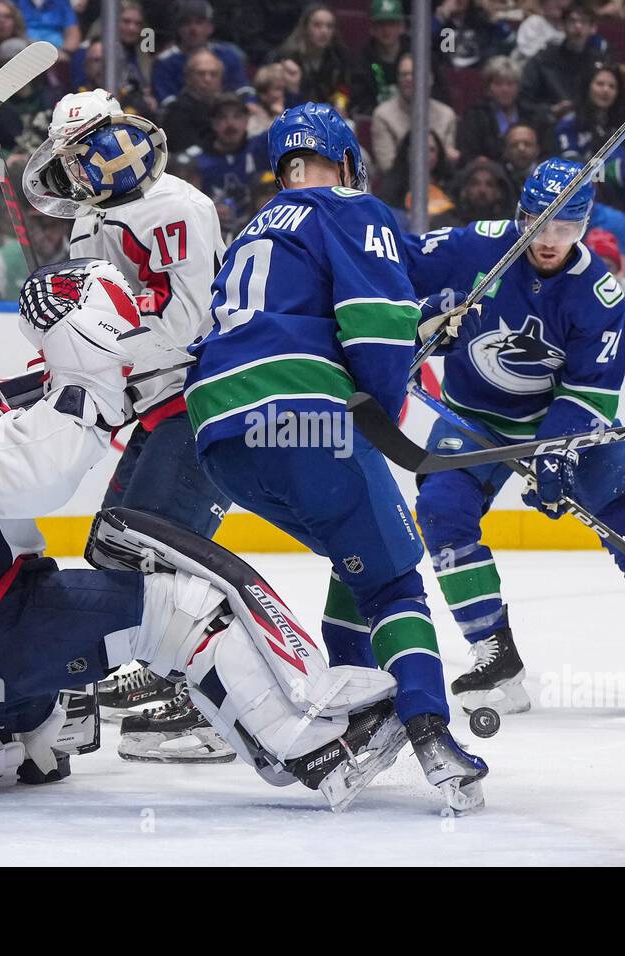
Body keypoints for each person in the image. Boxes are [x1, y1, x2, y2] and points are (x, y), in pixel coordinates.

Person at [0, 278, 404, 808]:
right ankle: (315, 751)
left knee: (62, 690)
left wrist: (97, 387)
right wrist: (89, 383)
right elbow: (36, 470)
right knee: (181, 607)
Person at [185, 102, 489, 811]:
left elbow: (357, 299)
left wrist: (422, 320)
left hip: (224, 438)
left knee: (359, 558)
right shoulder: (353, 205)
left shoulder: (256, 228)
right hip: (303, 420)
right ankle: (430, 731)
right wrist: (400, 371)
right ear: (350, 160)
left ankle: (360, 706)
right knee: (394, 583)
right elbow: (376, 336)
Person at [402, 158, 625, 718]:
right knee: (441, 510)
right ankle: (493, 649)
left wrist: (555, 451)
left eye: (566, 228)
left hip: (562, 424)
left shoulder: (597, 293)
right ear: (520, 213)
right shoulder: (473, 247)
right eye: (540, 224)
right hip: (473, 419)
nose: (550, 241)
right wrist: (418, 320)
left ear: (585, 224)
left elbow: (591, 393)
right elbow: (391, 265)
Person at [22, 89, 235, 761]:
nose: (76, 176)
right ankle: (165, 672)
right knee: (113, 548)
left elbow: (186, 326)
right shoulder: (90, 223)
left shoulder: (178, 208)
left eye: (79, 158)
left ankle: (205, 706)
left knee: (162, 552)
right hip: (157, 407)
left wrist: (97, 348)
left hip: (199, 402)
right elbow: (101, 314)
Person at [517, 2, 608, 137]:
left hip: (590, 130)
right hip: (550, 129)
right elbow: (524, 101)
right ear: (563, 25)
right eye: (572, 21)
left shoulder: (600, 62)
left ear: (593, 28)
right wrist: (551, 111)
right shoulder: (542, 59)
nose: (578, 27)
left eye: (584, 22)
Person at [189, 92, 269, 238]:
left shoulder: (260, 148)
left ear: (247, 121)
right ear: (213, 123)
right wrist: (207, 212)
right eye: (222, 117)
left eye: (237, 116)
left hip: (260, 233)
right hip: (214, 237)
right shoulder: (197, 161)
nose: (230, 123)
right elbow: (187, 209)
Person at [370, 54, 459, 175]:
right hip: (399, 185)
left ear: (429, 79)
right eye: (404, 74)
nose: (408, 79)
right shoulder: (383, 115)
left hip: (439, 182)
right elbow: (387, 165)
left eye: (414, 74)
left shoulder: (446, 115)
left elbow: (448, 160)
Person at [151, 0, 250, 105]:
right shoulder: (164, 63)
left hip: (227, 114)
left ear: (210, 27)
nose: (193, 29)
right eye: (187, 23)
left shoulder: (229, 55)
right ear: (178, 28)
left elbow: (244, 91)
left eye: (199, 22)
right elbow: (167, 102)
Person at [271, 3, 350, 110]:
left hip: (324, 117)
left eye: (329, 26)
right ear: (305, 28)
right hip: (289, 113)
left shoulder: (338, 58)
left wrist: (341, 105)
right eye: (317, 25)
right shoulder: (286, 56)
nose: (324, 31)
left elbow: (342, 88)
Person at [552, 63, 625, 162]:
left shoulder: (623, 125)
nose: (606, 90)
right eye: (600, 84)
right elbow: (569, 162)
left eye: (612, 86)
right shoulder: (569, 124)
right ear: (587, 87)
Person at [456, 56, 523, 165]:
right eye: (498, 84)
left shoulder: (531, 114)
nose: (505, 89)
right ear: (488, 87)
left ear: (518, 87)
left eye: (510, 84)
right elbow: (469, 153)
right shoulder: (475, 116)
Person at [159, 48, 224, 153]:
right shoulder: (176, 111)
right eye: (201, 73)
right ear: (188, 77)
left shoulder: (228, 107)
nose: (207, 79)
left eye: (213, 74)